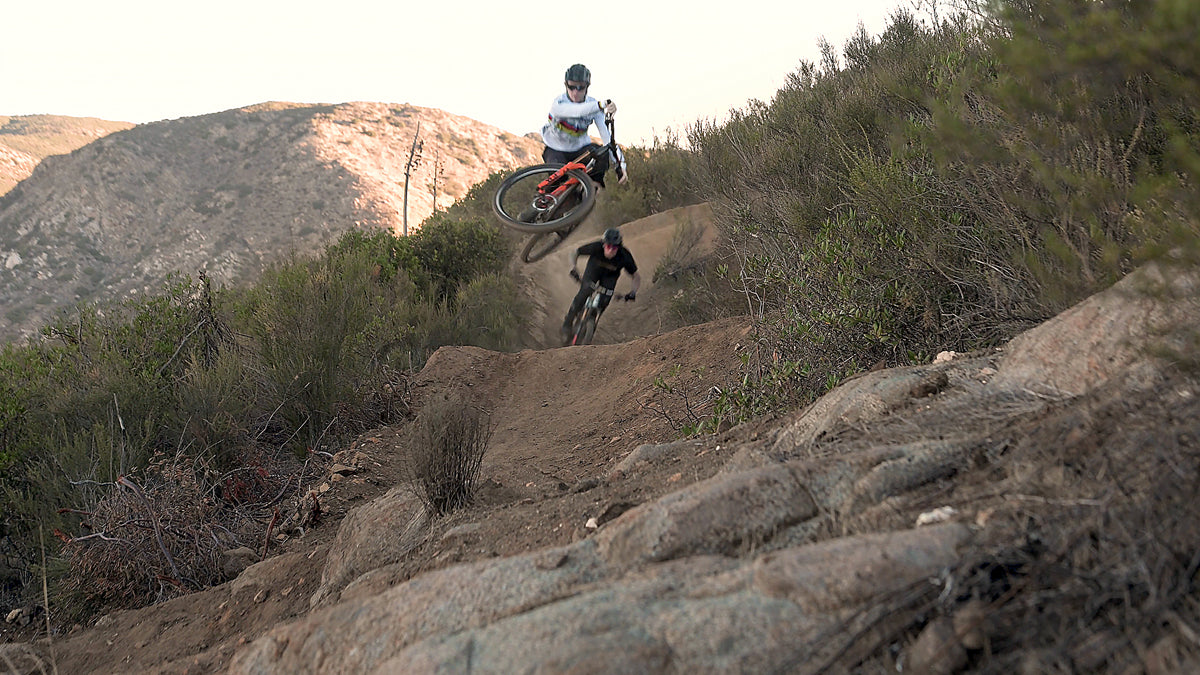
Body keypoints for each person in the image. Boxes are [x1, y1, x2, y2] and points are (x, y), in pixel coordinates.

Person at [542, 63, 628, 189]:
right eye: (571, 87)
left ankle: (593, 188)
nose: (575, 92)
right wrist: (602, 104)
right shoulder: (559, 103)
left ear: (587, 87)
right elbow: (576, 111)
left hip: (580, 149)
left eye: (580, 87)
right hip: (555, 149)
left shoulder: (593, 104)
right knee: (558, 180)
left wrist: (620, 167)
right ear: (566, 85)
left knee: (601, 153)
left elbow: (607, 138)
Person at [562, 227, 640, 343]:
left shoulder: (624, 255)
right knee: (584, 292)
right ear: (603, 244)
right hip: (593, 272)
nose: (611, 250)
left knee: (603, 302)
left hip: (610, 278)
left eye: (615, 248)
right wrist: (573, 268)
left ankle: (591, 329)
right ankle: (568, 322)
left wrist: (633, 292)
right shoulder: (596, 247)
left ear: (619, 247)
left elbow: (635, 276)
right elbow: (575, 252)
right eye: (608, 246)